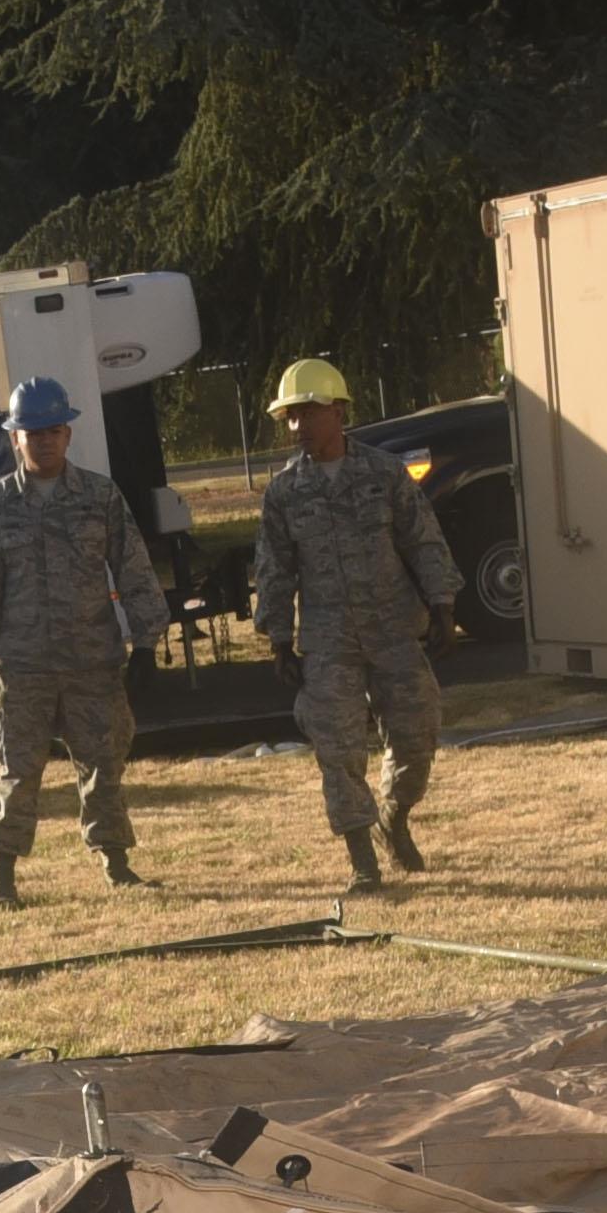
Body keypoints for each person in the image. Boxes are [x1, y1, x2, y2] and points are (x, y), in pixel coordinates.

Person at [251, 361, 462, 894]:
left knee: (418, 733)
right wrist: (278, 638)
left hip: (394, 629)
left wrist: (442, 604)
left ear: (338, 411)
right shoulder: (284, 493)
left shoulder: (384, 474)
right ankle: (363, 860)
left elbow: (422, 539)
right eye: (290, 417)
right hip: (328, 640)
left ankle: (395, 814)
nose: (297, 427)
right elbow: (274, 568)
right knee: (339, 749)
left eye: (306, 413)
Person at [0, 374, 164, 905]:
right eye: (33, 432)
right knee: (17, 773)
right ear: (15, 439)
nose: (44, 440)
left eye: (53, 430)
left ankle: (116, 864)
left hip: (91, 664)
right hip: (22, 668)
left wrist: (145, 643)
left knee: (104, 768)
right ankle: (2, 878)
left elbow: (133, 570)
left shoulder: (100, 497)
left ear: (68, 435)